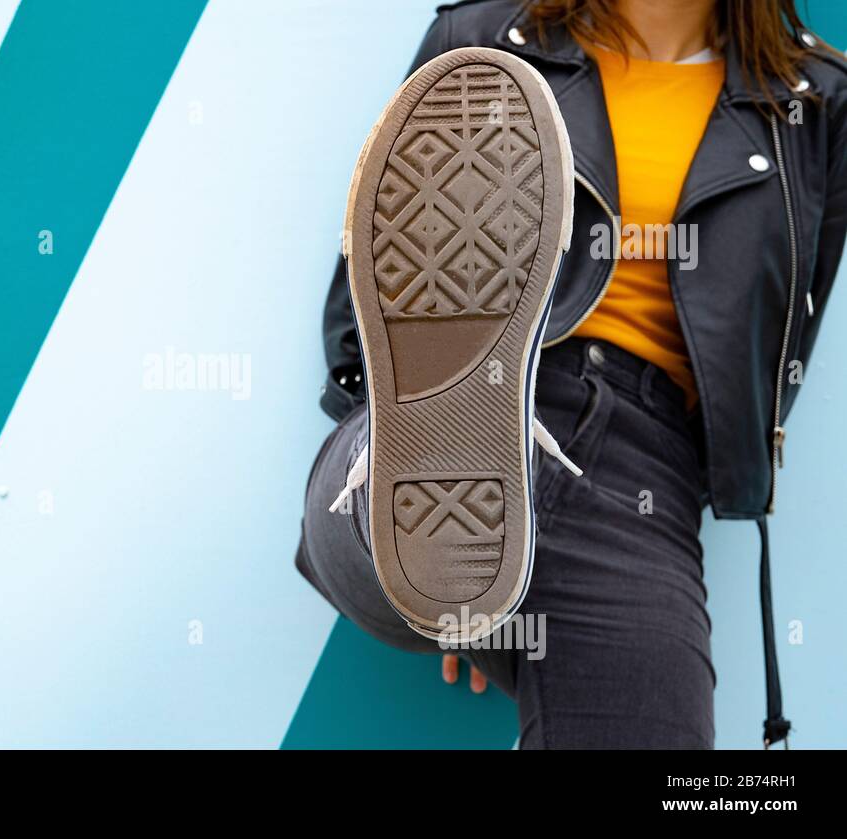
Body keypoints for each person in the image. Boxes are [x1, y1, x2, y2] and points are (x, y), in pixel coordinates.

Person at [296, 0, 847, 748]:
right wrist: (448, 561)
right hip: (462, 393)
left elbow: (782, 341)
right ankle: (434, 512)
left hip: (644, 474)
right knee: (409, 461)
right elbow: (366, 302)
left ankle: (460, 540)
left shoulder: (814, 107)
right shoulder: (486, 41)